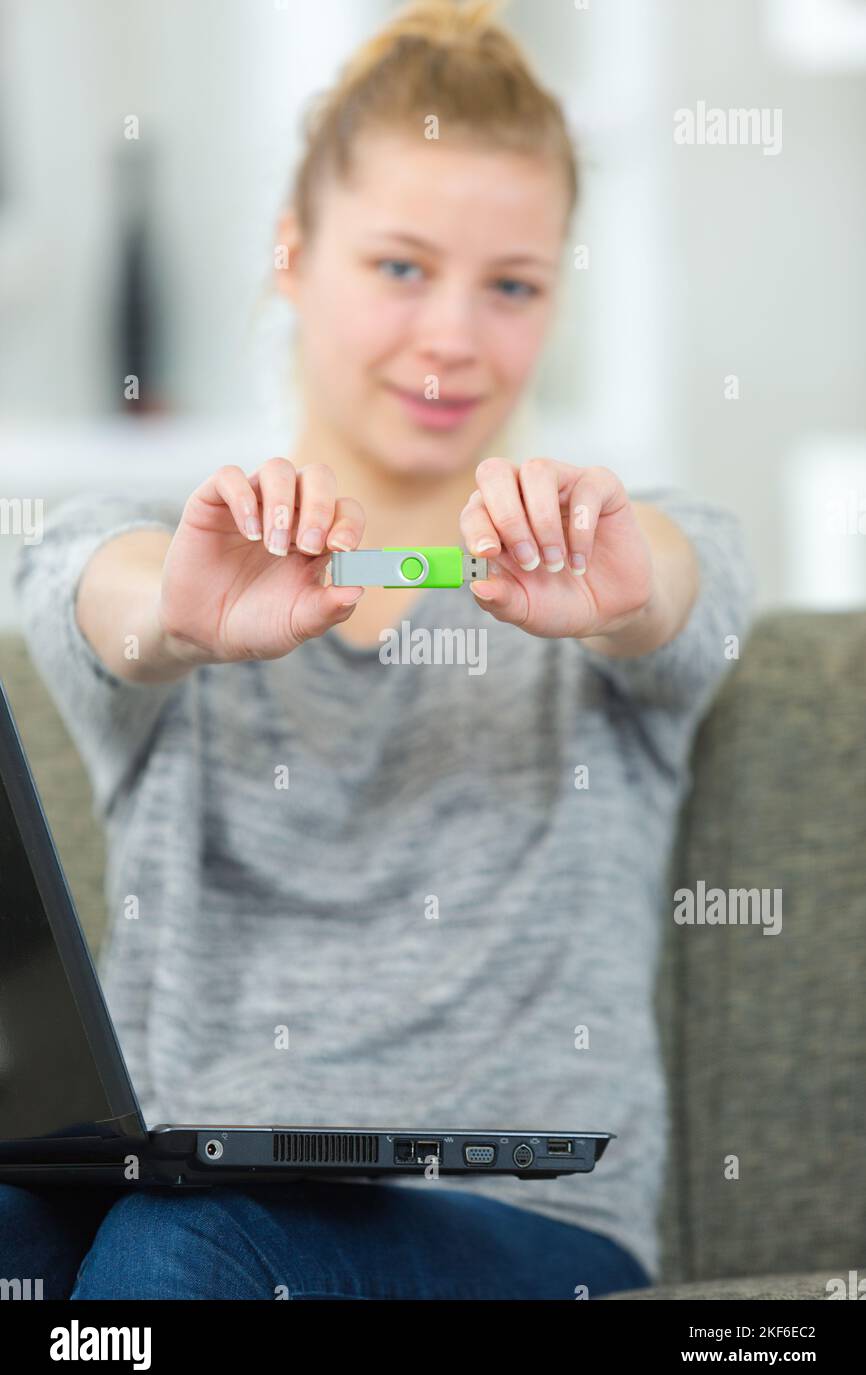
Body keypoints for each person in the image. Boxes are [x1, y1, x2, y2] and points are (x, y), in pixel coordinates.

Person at [4, 0, 752, 1300]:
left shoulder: (623, 564)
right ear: (292, 256)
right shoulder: (169, 565)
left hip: (525, 1229)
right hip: (178, 1190)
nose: (454, 336)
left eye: (511, 284)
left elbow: (681, 592)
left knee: (181, 1250)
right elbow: (87, 587)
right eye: (401, 267)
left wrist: (630, 581)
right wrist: (179, 609)